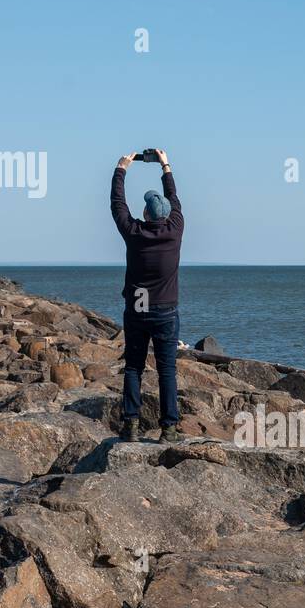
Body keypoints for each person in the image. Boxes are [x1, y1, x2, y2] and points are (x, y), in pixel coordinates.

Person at [110, 148, 184, 443]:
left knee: (133, 366)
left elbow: (117, 203)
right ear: (166, 215)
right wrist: (165, 165)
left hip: (138, 305)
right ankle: (169, 428)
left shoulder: (134, 232)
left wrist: (121, 168)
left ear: (146, 214)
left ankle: (130, 424)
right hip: (166, 308)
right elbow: (175, 198)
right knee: (167, 370)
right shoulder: (176, 229)